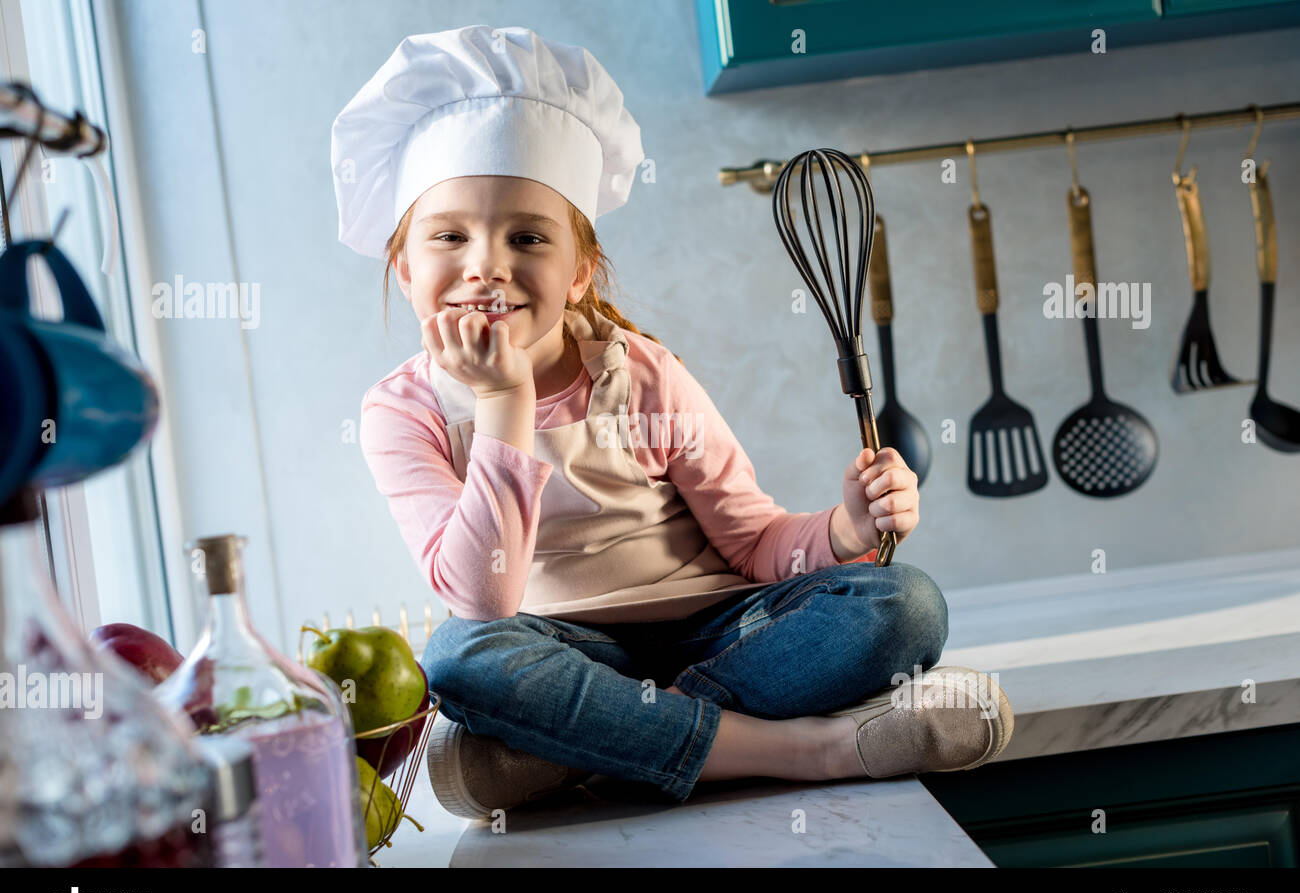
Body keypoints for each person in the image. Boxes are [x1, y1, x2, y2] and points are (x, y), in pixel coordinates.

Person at [332, 24, 1012, 820]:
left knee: (906, 605)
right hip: (557, 650)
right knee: (460, 656)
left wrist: (845, 526)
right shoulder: (401, 412)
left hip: (716, 635)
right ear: (406, 265)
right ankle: (806, 749)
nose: (486, 264)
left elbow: (755, 545)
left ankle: (595, 745)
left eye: (528, 236)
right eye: (449, 235)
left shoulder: (641, 373)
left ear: (579, 270)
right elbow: (484, 601)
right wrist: (504, 405)